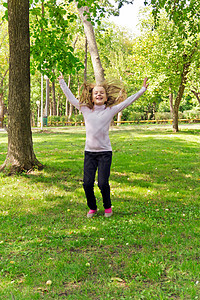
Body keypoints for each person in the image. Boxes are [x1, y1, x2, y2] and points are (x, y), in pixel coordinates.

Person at [58, 72, 149, 218]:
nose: (99, 95)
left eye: (101, 93)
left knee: (102, 183)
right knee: (87, 184)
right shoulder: (85, 109)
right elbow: (71, 98)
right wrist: (62, 82)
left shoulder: (111, 110)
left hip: (105, 153)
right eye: (96, 93)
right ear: (91, 97)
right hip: (90, 153)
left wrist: (142, 90)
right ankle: (92, 207)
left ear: (106, 97)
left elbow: (128, 102)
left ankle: (107, 207)